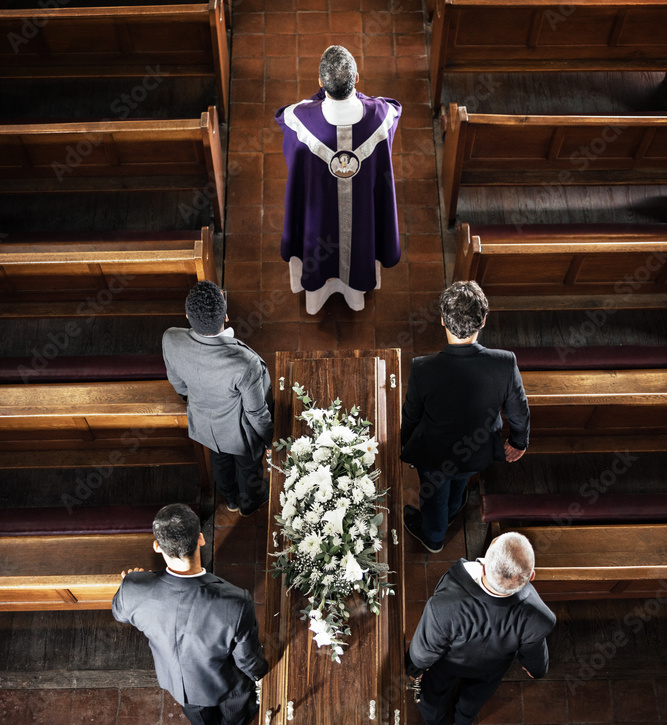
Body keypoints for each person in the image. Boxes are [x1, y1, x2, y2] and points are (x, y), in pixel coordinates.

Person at [112, 503, 267, 725]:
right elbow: (247, 658)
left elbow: (120, 613)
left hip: (179, 682)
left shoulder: (133, 589)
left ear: (157, 546)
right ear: (201, 539)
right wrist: (260, 674)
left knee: (200, 718)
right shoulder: (236, 602)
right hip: (226, 683)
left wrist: (134, 582)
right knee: (235, 715)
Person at [400, 280, 530, 553]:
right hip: (477, 451)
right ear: (483, 321)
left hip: (435, 455)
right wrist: (518, 441)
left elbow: (411, 413)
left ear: (443, 321)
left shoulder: (423, 368)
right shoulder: (504, 363)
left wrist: (406, 442)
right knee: (460, 478)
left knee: (433, 496)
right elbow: (518, 409)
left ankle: (434, 537)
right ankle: (454, 507)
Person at [276, 45, 401, 314]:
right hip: (363, 213)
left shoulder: (299, 121)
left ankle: (316, 296)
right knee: (358, 239)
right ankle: (356, 294)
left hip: (318, 219)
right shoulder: (381, 117)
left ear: (320, 82)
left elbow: (290, 118)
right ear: (356, 79)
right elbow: (388, 105)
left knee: (320, 243)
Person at [407, 532, 557, 725]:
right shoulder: (540, 616)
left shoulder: (443, 605)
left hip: (447, 665)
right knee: (476, 696)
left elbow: (424, 651)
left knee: (433, 694)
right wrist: (537, 669)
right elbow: (534, 655)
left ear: (485, 565)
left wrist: (415, 668)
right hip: (491, 669)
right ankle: (463, 723)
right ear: (532, 576)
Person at [162, 280, 273, 516]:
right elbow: (256, 412)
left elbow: (178, 382)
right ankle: (249, 502)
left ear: (187, 315)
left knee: (220, 461)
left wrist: (192, 396)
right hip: (240, 433)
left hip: (204, 424)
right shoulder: (244, 362)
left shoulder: (170, 339)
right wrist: (269, 438)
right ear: (226, 316)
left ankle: (231, 500)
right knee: (248, 468)